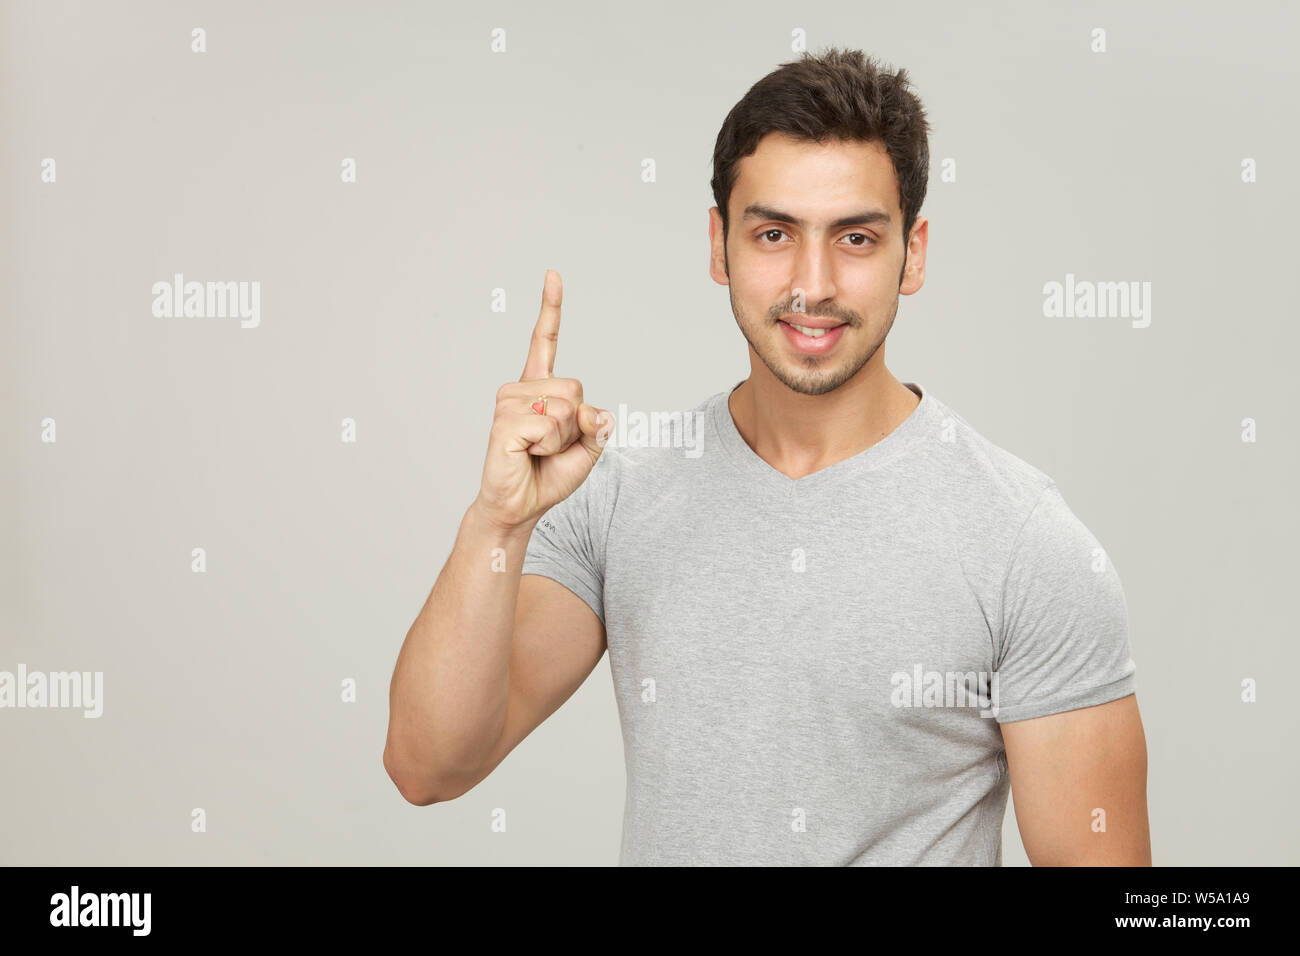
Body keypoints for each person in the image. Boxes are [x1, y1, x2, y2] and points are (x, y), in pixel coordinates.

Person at [383, 47, 1151, 866]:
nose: (811, 284)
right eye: (775, 233)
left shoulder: (1024, 542)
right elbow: (428, 765)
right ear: (720, 245)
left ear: (913, 254)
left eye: (855, 237)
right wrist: (497, 525)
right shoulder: (621, 493)